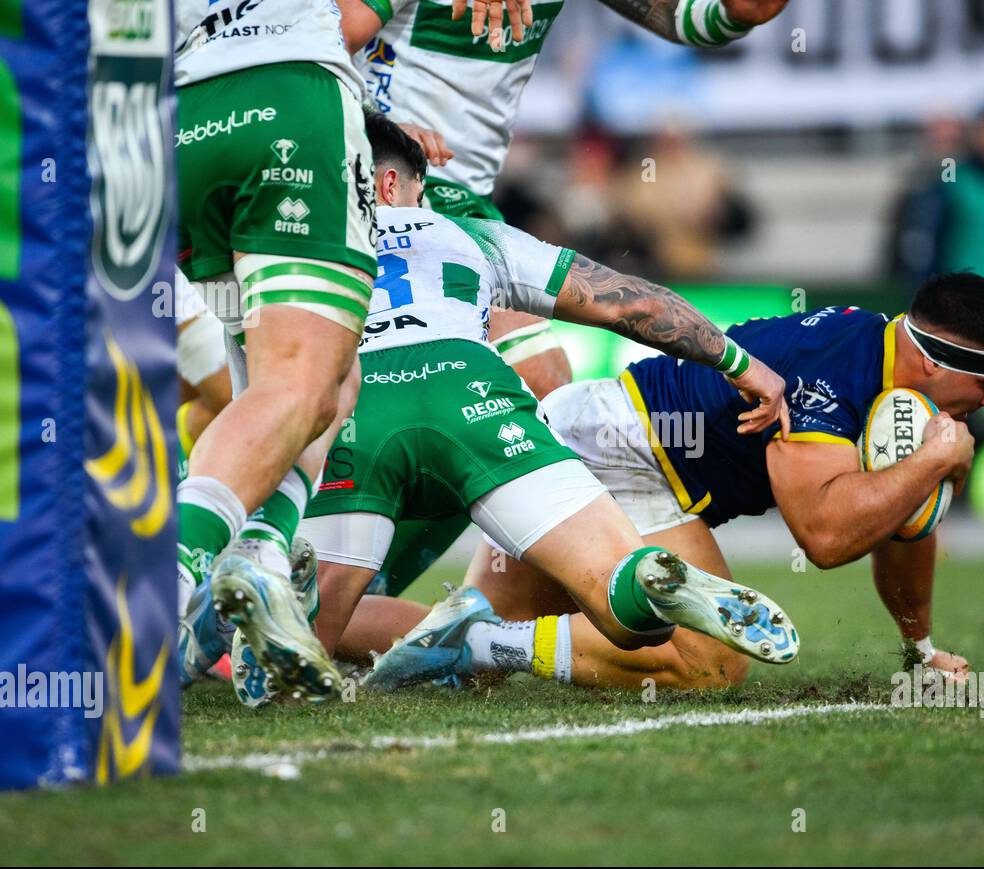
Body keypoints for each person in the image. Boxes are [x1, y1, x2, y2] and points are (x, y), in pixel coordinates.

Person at [240, 112, 797, 704]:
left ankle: (287, 600)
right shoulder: (471, 235)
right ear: (391, 185)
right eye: (420, 189)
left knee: (310, 641)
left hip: (359, 404)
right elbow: (633, 305)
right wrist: (743, 366)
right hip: (475, 396)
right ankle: (643, 583)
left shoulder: (293, 249)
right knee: (619, 606)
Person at [339, 274, 984, 691]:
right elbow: (825, 533)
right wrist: (931, 463)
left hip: (597, 439)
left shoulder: (897, 381)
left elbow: (900, 522)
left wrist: (919, 650)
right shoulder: (837, 371)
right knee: (708, 666)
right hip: (623, 451)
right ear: (934, 363)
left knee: (474, 644)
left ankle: (282, 621)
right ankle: (486, 644)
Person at [336, 0, 792, 597]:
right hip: (388, 190)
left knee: (526, 393)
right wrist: (373, 128)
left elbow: (705, 20)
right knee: (492, 392)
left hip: (458, 200)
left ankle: (350, 601)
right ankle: (323, 594)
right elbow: (321, 40)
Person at [172, 0, 381, 701]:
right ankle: (161, 586)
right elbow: (356, 20)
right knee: (296, 385)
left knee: (324, 384)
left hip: (178, 125)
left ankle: (257, 550)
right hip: (290, 97)